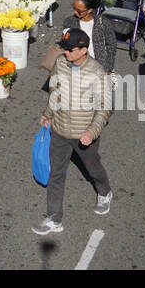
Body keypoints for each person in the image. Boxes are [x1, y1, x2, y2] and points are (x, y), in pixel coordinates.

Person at [33, 26, 113, 235]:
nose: (66, 53)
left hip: (83, 135)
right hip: (59, 131)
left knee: (93, 167)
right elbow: (55, 92)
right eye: (65, 49)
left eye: (70, 50)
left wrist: (92, 132)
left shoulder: (97, 72)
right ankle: (54, 218)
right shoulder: (61, 63)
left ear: (83, 49)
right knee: (56, 174)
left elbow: (104, 107)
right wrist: (47, 114)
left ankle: (104, 191)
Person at [53, 0, 117, 75]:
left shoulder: (103, 23)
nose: (75, 12)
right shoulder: (69, 22)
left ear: (89, 10)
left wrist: (107, 67)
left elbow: (112, 45)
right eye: (74, 8)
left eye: (79, 11)